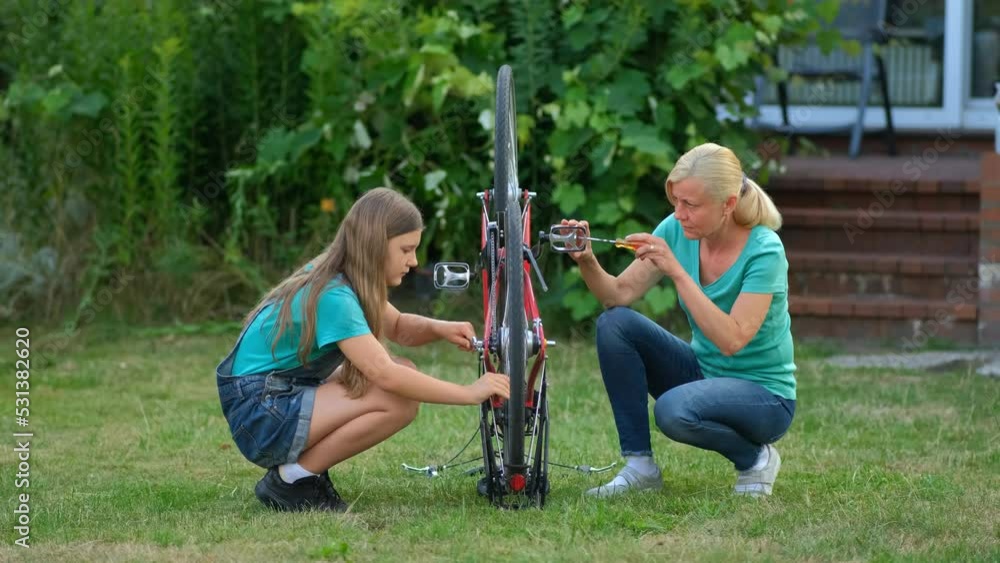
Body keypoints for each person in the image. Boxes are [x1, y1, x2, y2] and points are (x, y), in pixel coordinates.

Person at [216, 187, 510, 512]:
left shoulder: (342, 276)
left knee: (404, 376)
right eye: (406, 249)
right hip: (260, 413)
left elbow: (397, 327)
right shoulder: (334, 296)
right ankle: (293, 481)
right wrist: (469, 392)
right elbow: (384, 374)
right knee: (397, 396)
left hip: (270, 397)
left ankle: (298, 475)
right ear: (374, 245)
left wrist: (439, 328)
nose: (413, 261)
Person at [563, 143, 796, 498]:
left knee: (673, 411)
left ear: (728, 205)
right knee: (615, 324)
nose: (679, 213)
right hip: (705, 372)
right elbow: (617, 295)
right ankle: (640, 467)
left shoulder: (765, 250)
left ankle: (755, 459)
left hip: (765, 397)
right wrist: (587, 261)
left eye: (691, 205)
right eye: (676, 202)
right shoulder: (677, 228)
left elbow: (732, 341)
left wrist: (677, 272)